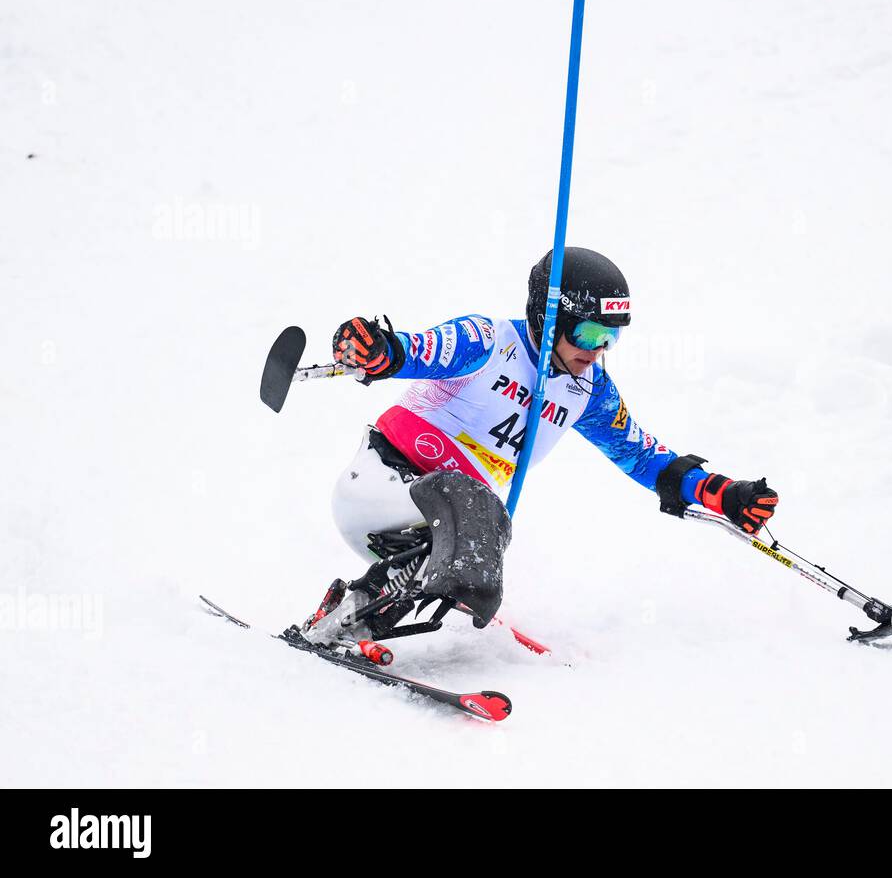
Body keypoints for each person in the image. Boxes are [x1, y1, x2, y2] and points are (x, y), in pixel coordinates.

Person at [298, 248, 778, 658]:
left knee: (480, 563)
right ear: (551, 319)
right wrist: (378, 350)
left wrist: (722, 494)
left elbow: (643, 456)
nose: (598, 349)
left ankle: (355, 619)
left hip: (444, 524)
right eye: (589, 334)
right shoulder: (487, 340)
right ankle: (349, 615)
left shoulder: (588, 391)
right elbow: (414, 351)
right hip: (382, 485)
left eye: (611, 337)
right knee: (476, 516)